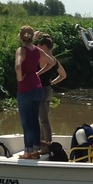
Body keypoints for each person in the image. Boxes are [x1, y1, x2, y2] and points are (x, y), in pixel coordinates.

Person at [13, 26, 47, 158]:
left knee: (26, 123)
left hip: (25, 88)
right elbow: (51, 62)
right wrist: (37, 73)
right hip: (37, 87)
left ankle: (27, 151)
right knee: (34, 120)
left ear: (21, 37)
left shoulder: (21, 50)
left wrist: (20, 77)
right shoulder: (37, 50)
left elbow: (17, 65)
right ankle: (36, 150)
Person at [34, 33, 67, 156]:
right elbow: (63, 75)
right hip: (48, 91)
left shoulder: (43, 58)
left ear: (43, 47)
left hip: (41, 91)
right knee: (44, 118)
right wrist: (52, 82)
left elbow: (30, 49)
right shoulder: (55, 61)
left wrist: (34, 38)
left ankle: (47, 145)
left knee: (43, 120)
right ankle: (44, 144)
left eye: (39, 45)